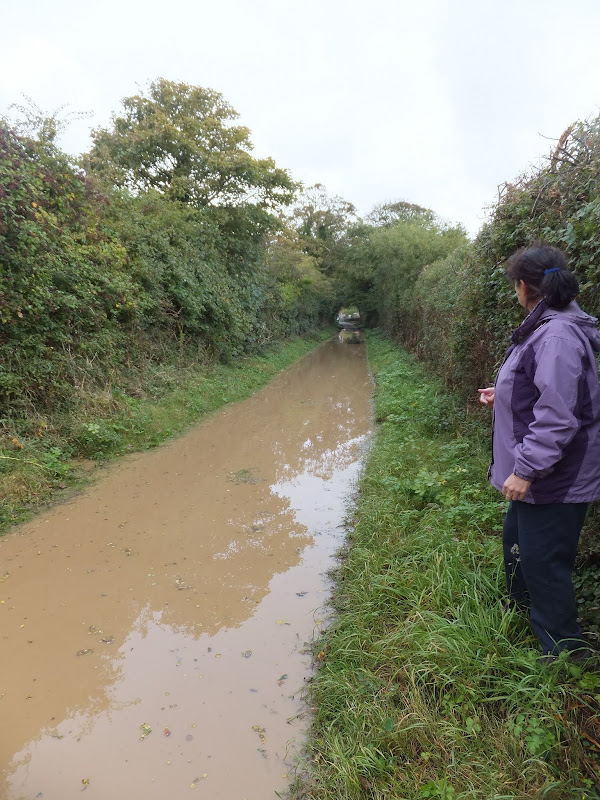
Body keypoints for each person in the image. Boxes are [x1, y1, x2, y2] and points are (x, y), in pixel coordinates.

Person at [478, 244, 600, 658]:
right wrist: (505, 394)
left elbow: (559, 415)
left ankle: (566, 654)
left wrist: (526, 469)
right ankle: (522, 611)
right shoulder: (545, 327)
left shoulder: (557, 335)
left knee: (544, 563)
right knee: (518, 543)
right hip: (543, 475)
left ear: (521, 286)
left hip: (555, 476)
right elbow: (546, 390)